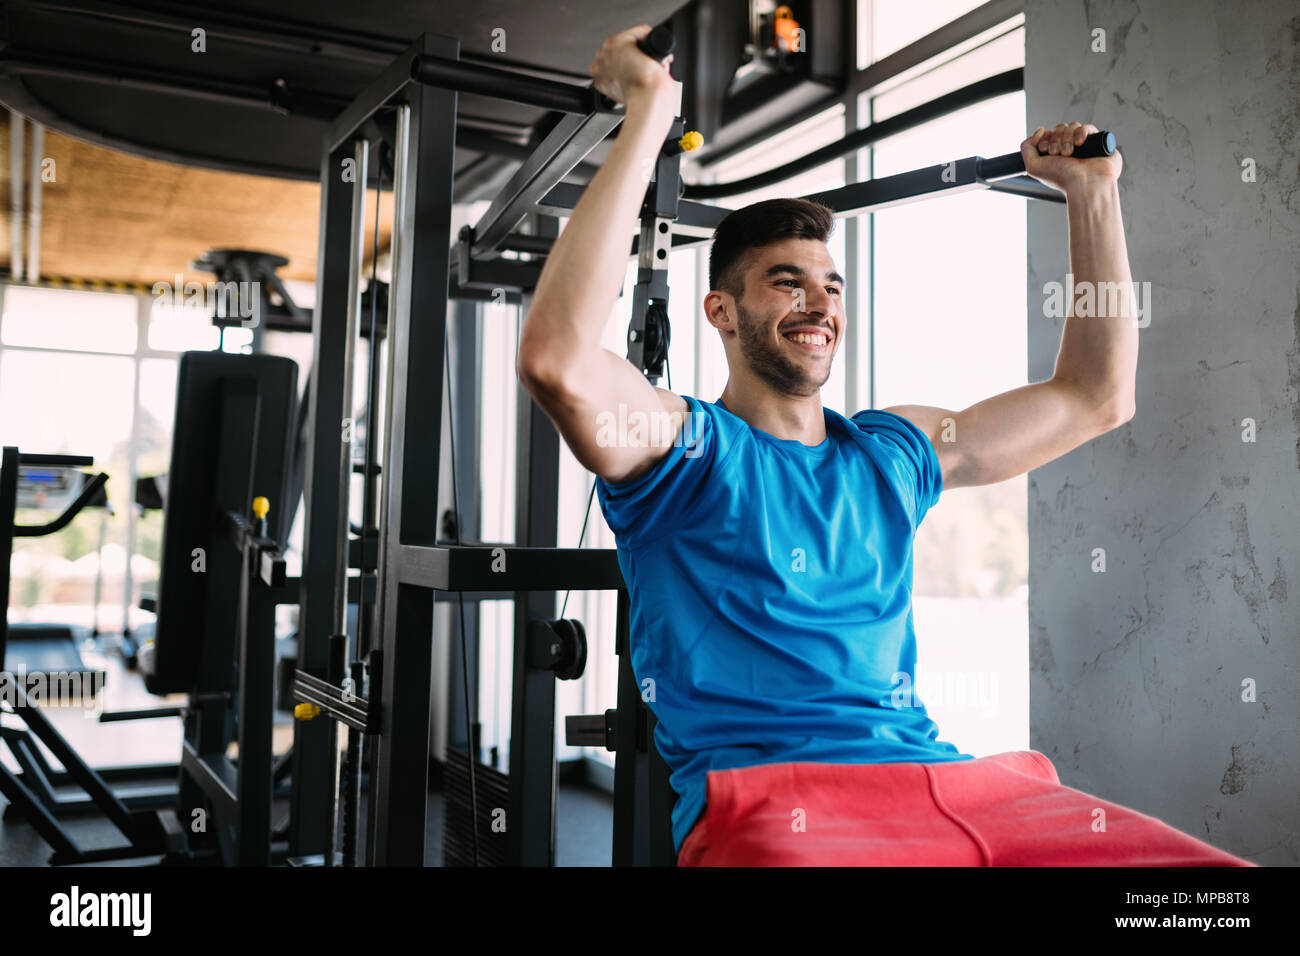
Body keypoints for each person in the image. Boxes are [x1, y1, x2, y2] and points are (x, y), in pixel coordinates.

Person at [516, 24, 1253, 866]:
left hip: (943, 786)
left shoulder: (889, 455)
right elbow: (556, 360)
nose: (819, 305)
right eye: (786, 283)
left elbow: (1095, 397)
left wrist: (1092, 195)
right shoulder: (685, 453)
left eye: (831, 287)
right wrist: (648, 112)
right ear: (720, 310)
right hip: (777, 803)